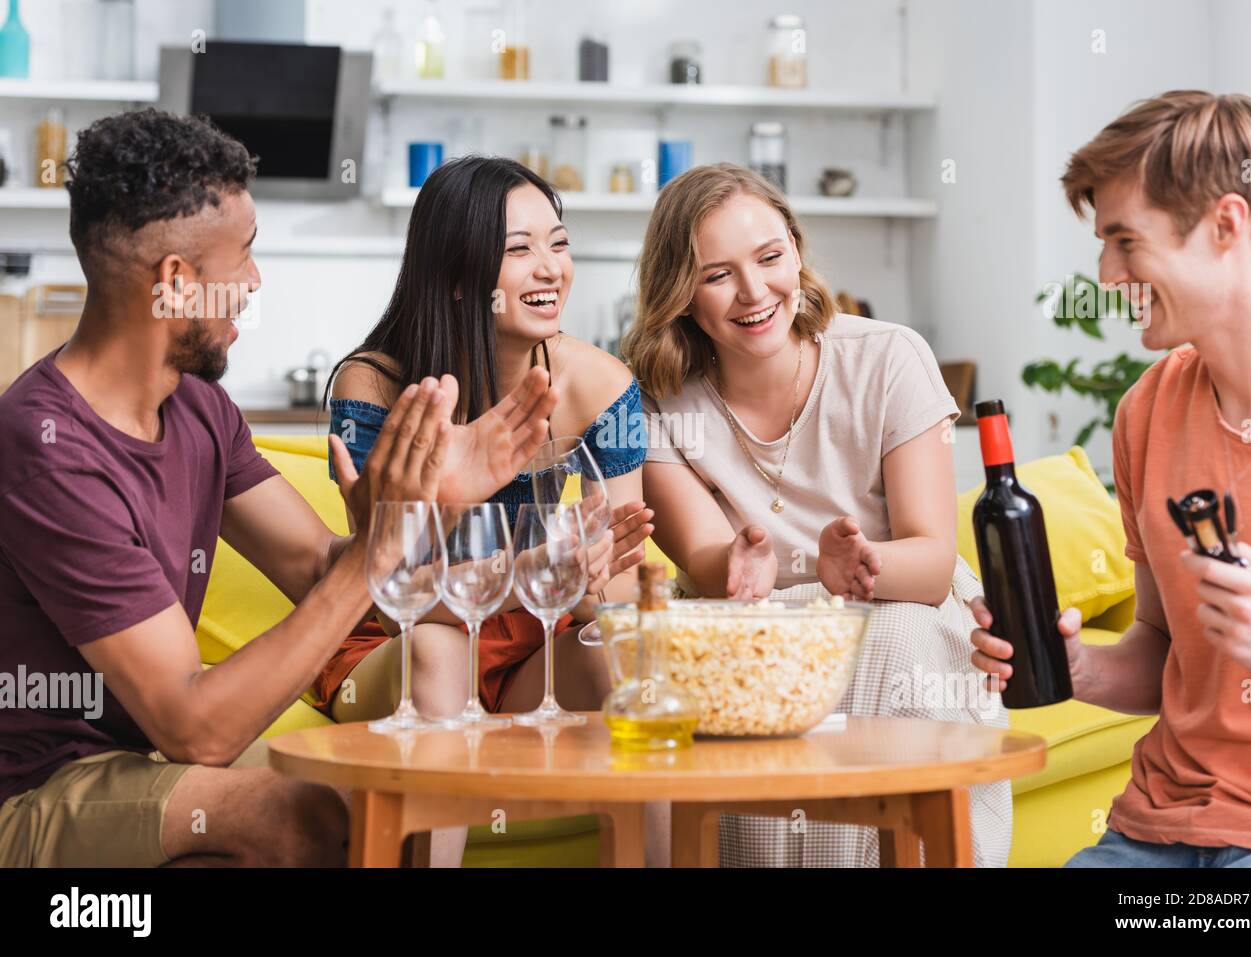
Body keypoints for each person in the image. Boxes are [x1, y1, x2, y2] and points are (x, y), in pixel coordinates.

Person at [0, 110, 556, 867]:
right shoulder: (46, 446)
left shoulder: (197, 405)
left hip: (151, 770)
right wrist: (376, 550)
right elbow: (195, 727)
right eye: (245, 256)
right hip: (41, 787)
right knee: (291, 814)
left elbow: (317, 570)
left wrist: (420, 514)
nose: (256, 281)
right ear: (176, 283)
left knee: (374, 794)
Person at [625, 162, 1010, 867]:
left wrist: (858, 568)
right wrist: (742, 567)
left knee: (896, 632)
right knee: (747, 657)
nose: (754, 291)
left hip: (901, 611)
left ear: (796, 253)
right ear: (680, 295)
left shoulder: (888, 358)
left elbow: (928, 567)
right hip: (760, 629)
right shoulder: (659, 404)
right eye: (717, 275)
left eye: (770, 258)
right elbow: (716, 575)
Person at [970, 91, 1251, 868]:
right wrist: (1074, 665)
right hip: (1156, 831)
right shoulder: (1148, 410)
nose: (1105, 273)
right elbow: (1161, 648)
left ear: (1227, 225)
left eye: (1125, 240)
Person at [323, 155, 656, 865]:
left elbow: (621, 584)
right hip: (400, 651)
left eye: (559, 244)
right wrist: (538, 570)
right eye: (519, 250)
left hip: (529, 644)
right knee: (441, 648)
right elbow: (391, 596)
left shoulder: (599, 383)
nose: (550, 269)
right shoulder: (375, 386)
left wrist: (593, 576)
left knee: (614, 651)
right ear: (452, 275)